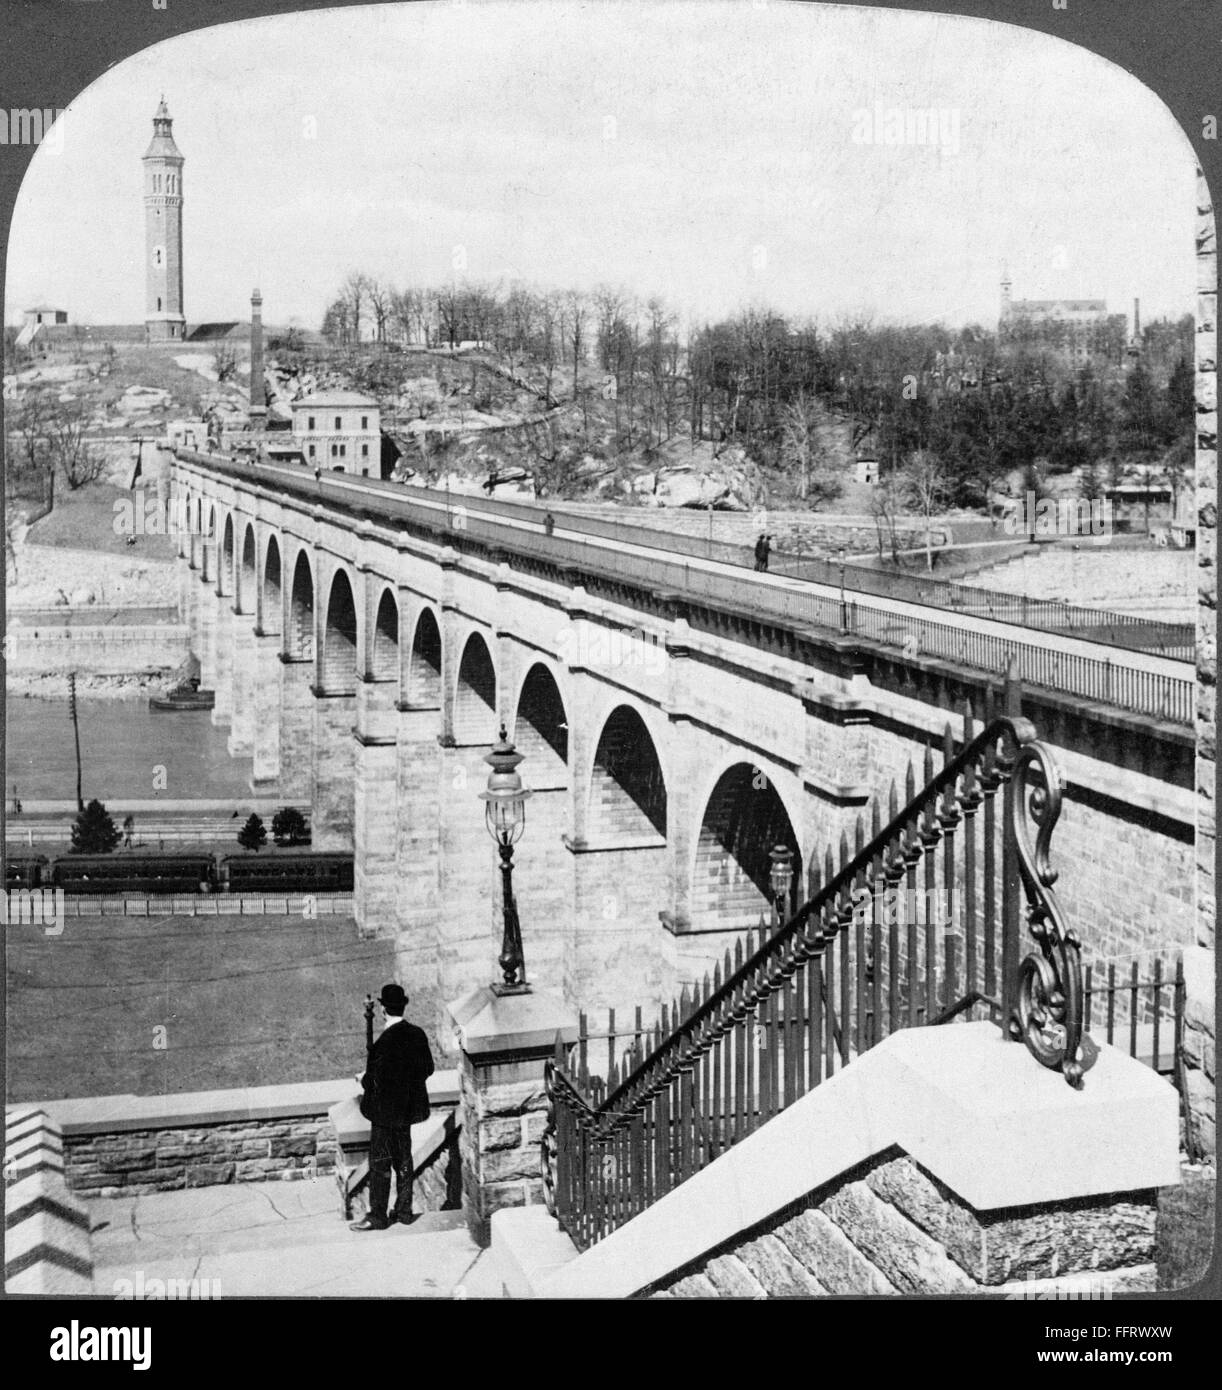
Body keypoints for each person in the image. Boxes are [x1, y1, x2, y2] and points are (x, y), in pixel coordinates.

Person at [350, 983, 435, 1232]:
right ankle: (404, 1211)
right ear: (403, 1006)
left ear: (384, 1010)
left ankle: (377, 1216)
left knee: (380, 1164)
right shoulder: (417, 1034)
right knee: (404, 1161)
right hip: (406, 1112)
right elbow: (427, 1068)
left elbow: (374, 1081)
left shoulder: (384, 1042)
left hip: (385, 1114)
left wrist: (363, 1079)